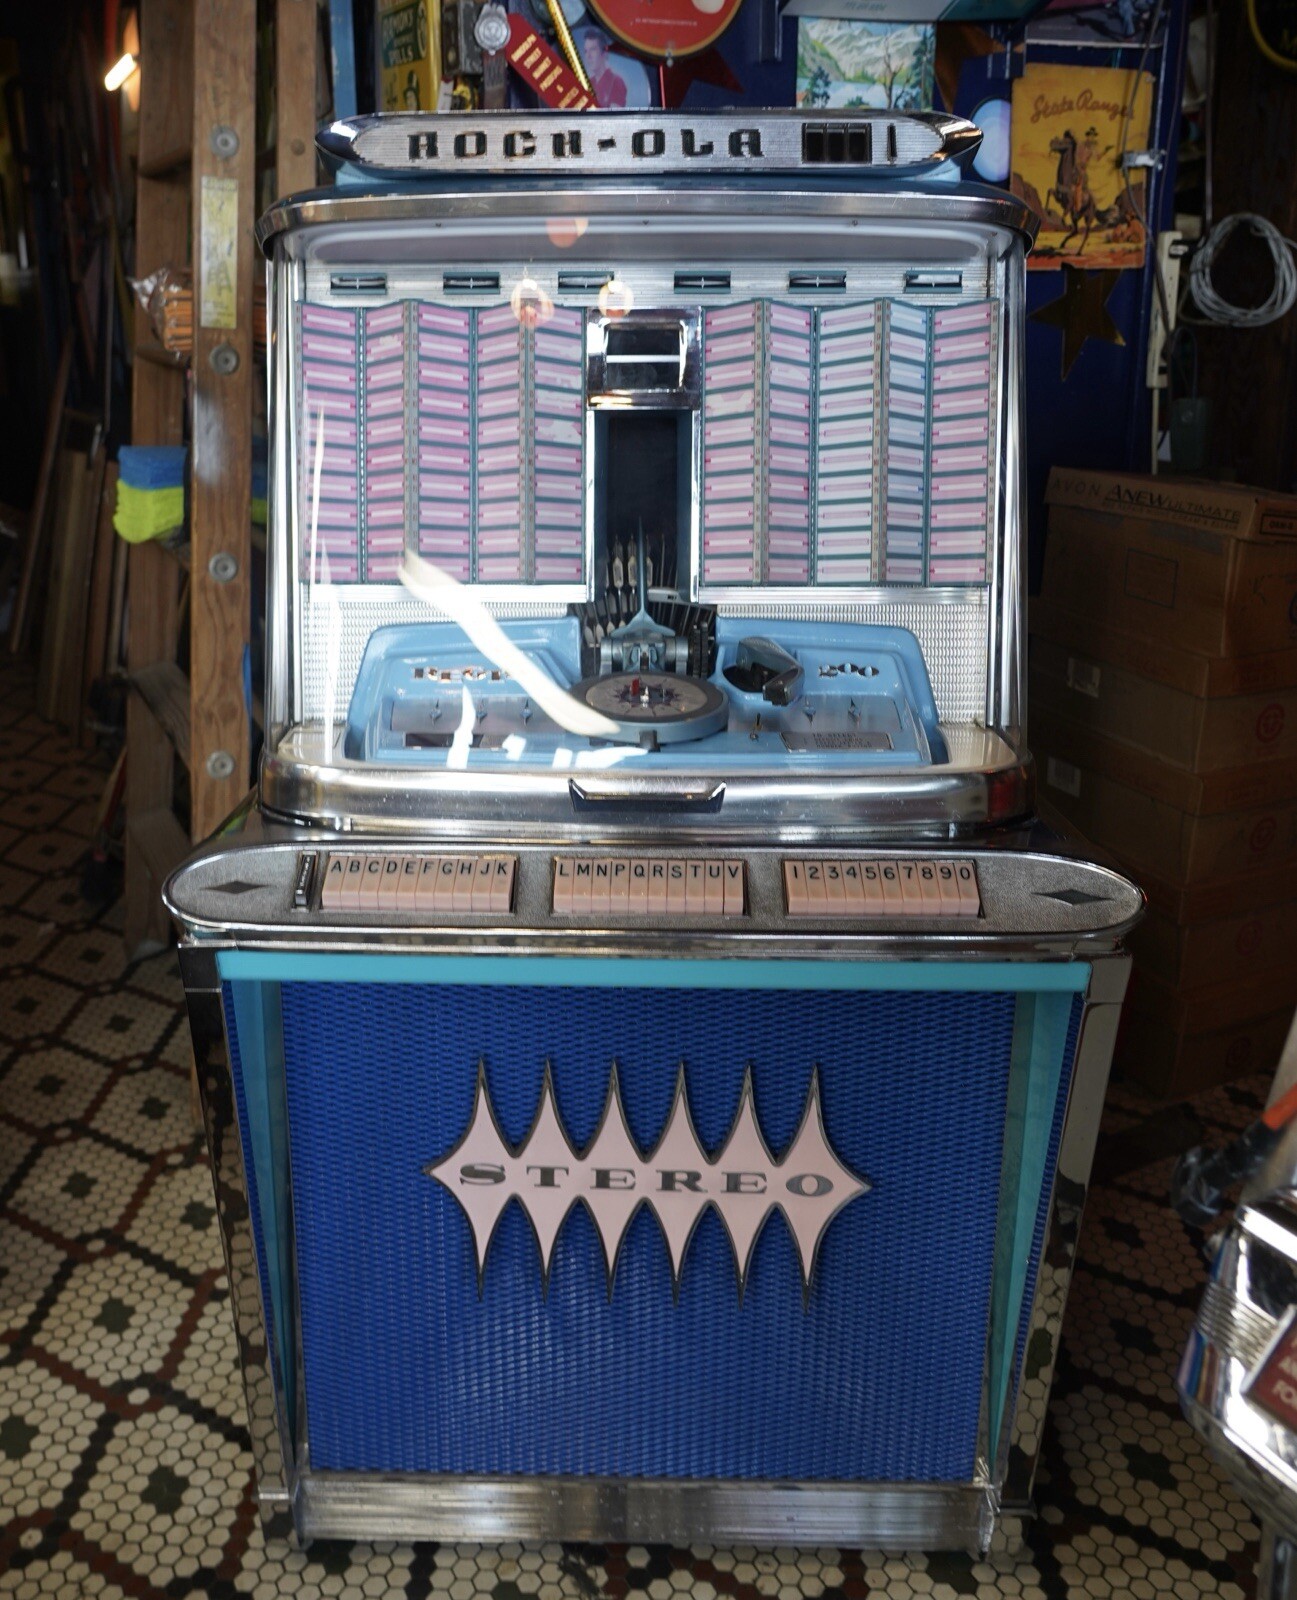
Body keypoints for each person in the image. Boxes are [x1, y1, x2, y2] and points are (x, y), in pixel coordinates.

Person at [579, 29, 627, 108]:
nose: (588, 56)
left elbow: (613, 118)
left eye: (593, 49)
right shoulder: (588, 82)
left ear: (604, 52)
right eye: (586, 51)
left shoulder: (616, 82)